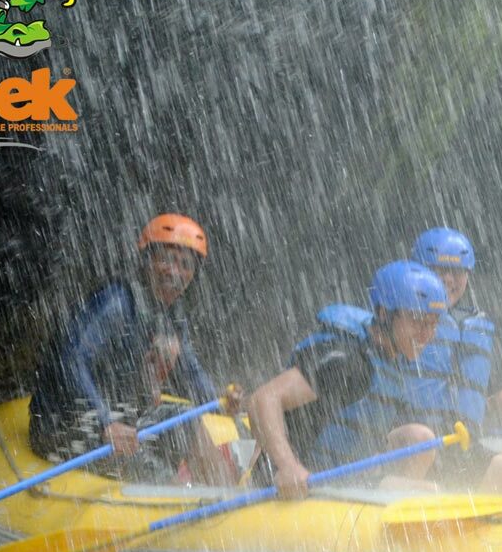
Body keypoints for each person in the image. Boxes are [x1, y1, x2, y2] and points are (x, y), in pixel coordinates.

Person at [28, 213, 237, 485]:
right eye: (167, 259)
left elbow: (191, 372)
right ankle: (177, 499)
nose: (176, 272)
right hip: (63, 426)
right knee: (145, 463)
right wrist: (105, 421)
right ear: (147, 260)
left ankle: (226, 495)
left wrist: (219, 401)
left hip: (117, 417)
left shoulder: (171, 316)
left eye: (186, 265)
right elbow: (71, 360)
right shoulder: (116, 303)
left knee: (185, 419)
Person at [246, 260, 452, 500]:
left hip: (344, 481)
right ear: (384, 314)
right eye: (417, 320)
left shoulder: (394, 360)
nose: (426, 334)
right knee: (429, 494)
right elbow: (264, 398)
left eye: (433, 323)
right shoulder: (348, 360)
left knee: (422, 440)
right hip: (300, 486)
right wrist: (287, 466)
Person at [410, 226, 502, 492]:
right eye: (440, 271)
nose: (449, 280)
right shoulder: (403, 321)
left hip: (464, 446)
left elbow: (494, 390)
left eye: (457, 272)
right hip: (419, 446)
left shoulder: (473, 327)